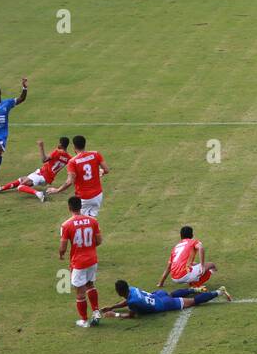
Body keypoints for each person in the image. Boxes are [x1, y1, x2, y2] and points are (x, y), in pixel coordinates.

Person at [59, 195, 102, 327]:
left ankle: (84, 320)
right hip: (92, 259)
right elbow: (99, 241)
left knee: (79, 292)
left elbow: (63, 246)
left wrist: (61, 254)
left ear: (69, 207)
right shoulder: (92, 221)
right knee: (90, 284)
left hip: (78, 262)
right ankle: (96, 311)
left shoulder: (66, 225)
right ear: (81, 206)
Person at [0, 136, 71, 201]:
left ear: (60, 144)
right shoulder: (69, 158)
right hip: (47, 178)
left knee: (20, 186)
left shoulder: (57, 152)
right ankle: (0, 188)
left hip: (42, 174)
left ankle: (38, 194)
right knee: (21, 179)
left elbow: (44, 160)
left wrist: (41, 147)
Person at [101, 279, 230, 318]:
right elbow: (127, 301)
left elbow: (131, 315)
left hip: (164, 304)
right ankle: (194, 289)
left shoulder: (134, 302)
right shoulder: (133, 289)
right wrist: (112, 306)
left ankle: (219, 292)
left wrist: (115, 314)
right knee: (172, 293)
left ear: (119, 291)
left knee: (192, 302)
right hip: (159, 295)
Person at [47, 134, 108, 216]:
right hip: (98, 195)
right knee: (91, 220)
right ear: (84, 144)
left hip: (84, 197)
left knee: (81, 222)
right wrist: (101, 172)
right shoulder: (96, 154)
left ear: (74, 147)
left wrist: (57, 190)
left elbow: (69, 182)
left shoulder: (73, 162)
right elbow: (106, 170)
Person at [156, 225, 219, 291]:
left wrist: (161, 283)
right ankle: (195, 285)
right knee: (211, 265)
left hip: (174, 277)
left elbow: (168, 267)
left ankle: (193, 280)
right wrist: (202, 266)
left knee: (194, 264)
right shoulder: (193, 242)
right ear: (192, 235)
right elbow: (201, 248)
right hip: (185, 274)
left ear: (181, 236)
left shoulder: (175, 247)